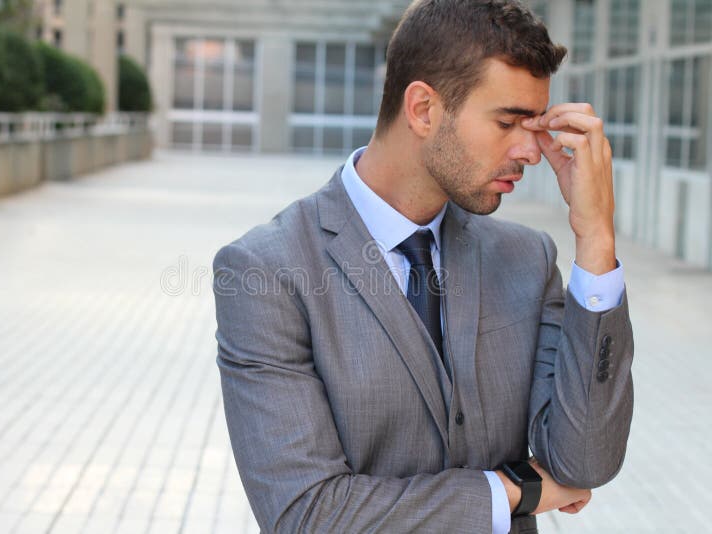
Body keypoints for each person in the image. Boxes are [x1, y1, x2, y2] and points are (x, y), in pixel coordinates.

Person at [212, 0, 634, 532]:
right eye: (509, 122)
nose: (531, 151)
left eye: (537, 124)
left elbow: (587, 461)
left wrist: (596, 238)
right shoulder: (265, 272)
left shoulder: (527, 258)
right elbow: (308, 514)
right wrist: (516, 488)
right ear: (423, 109)